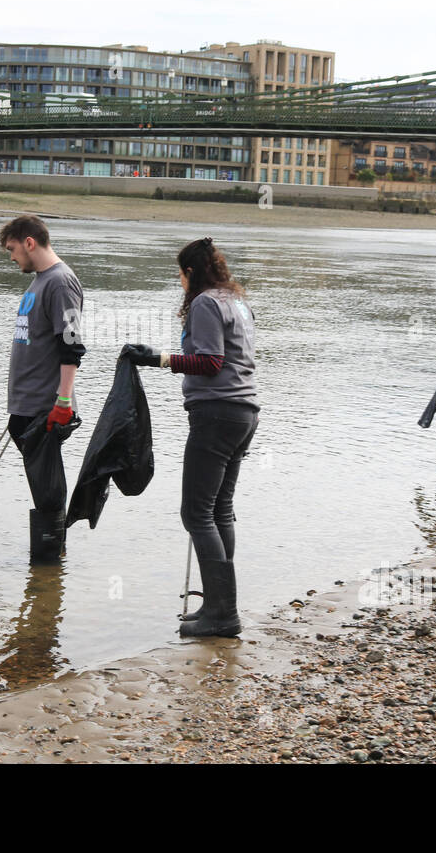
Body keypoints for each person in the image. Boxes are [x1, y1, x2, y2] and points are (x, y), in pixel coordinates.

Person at [123, 237, 259, 639]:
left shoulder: (204, 303)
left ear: (191, 272)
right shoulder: (237, 301)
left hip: (217, 414)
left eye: (180, 274)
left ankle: (222, 613)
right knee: (219, 509)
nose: (179, 281)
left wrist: (157, 358)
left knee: (196, 512)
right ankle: (218, 604)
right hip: (244, 412)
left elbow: (211, 361)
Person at [0, 215, 86, 562]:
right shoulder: (40, 281)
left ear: (30, 242)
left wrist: (63, 401)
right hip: (27, 404)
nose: (11, 256)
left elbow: (71, 346)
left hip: (47, 407)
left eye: (12, 249)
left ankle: (51, 556)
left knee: (48, 486)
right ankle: (47, 580)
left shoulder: (61, 282)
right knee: (42, 484)